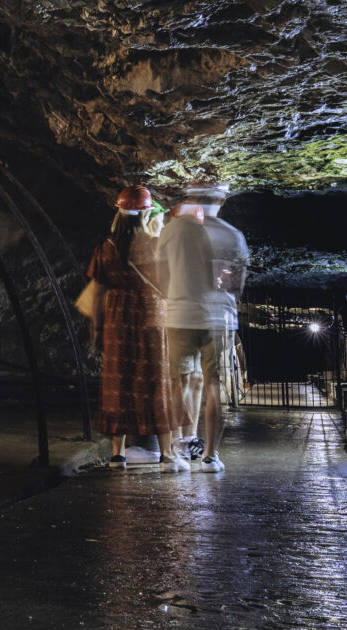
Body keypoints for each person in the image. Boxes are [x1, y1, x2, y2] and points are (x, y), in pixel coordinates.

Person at [157, 183, 249, 473]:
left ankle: (174, 455)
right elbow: (237, 284)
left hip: (179, 316)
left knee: (177, 385)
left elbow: (160, 275)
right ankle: (210, 456)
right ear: (221, 200)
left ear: (191, 198)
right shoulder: (232, 234)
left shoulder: (171, 230)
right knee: (212, 386)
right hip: (217, 318)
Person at [85, 185, 176, 468]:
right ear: (145, 215)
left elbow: (97, 292)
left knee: (119, 384)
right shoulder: (156, 245)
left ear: (119, 214)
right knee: (157, 384)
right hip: (152, 319)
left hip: (118, 322)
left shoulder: (106, 248)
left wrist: (97, 329)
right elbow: (170, 285)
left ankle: (118, 454)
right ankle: (166, 454)